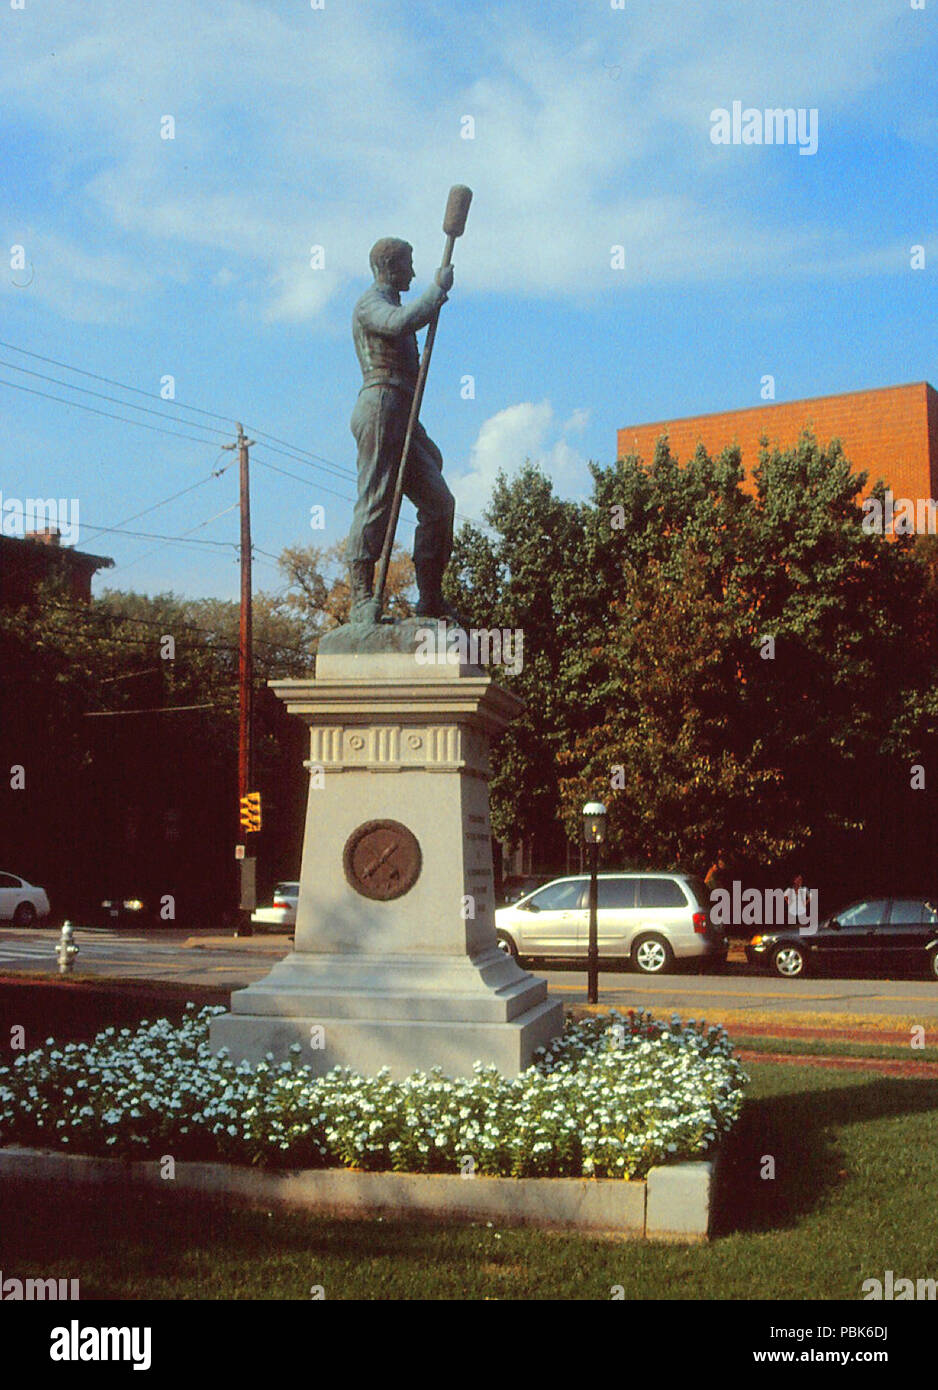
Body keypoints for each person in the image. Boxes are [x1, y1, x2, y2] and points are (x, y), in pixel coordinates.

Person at [347, 237, 456, 622]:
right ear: (390, 267)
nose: (413, 271)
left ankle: (429, 599)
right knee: (377, 499)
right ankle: (361, 598)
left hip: (403, 409)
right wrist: (436, 291)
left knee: (440, 504)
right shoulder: (371, 304)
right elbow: (398, 323)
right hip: (380, 406)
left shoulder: (392, 301)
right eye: (408, 264)